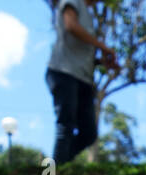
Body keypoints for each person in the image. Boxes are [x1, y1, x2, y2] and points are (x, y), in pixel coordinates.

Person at [46, 0, 119, 164]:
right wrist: (102, 46)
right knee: (65, 126)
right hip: (63, 72)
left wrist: (101, 62)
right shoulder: (72, 1)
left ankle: (57, 165)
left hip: (82, 77)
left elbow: (79, 52)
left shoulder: (87, 14)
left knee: (89, 133)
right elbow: (70, 25)